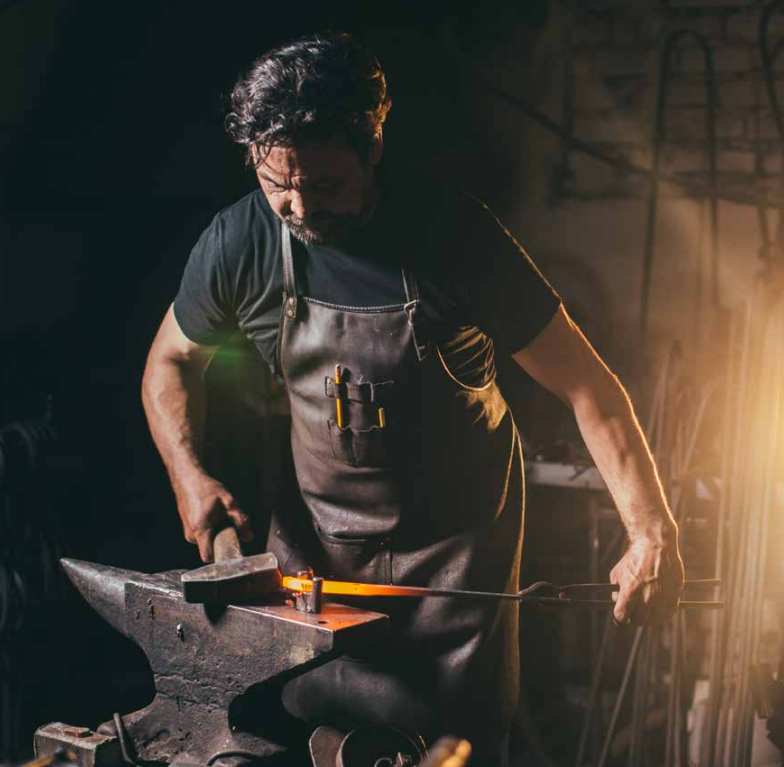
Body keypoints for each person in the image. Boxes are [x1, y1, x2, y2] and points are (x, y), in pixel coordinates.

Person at [142, 32, 684, 766]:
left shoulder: (456, 236)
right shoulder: (243, 239)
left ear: (371, 146)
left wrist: (650, 529)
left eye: (325, 185)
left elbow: (589, 385)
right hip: (315, 568)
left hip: (454, 578)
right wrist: (190, 476)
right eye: (279, 185)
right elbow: (169, 359)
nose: (299, 207)